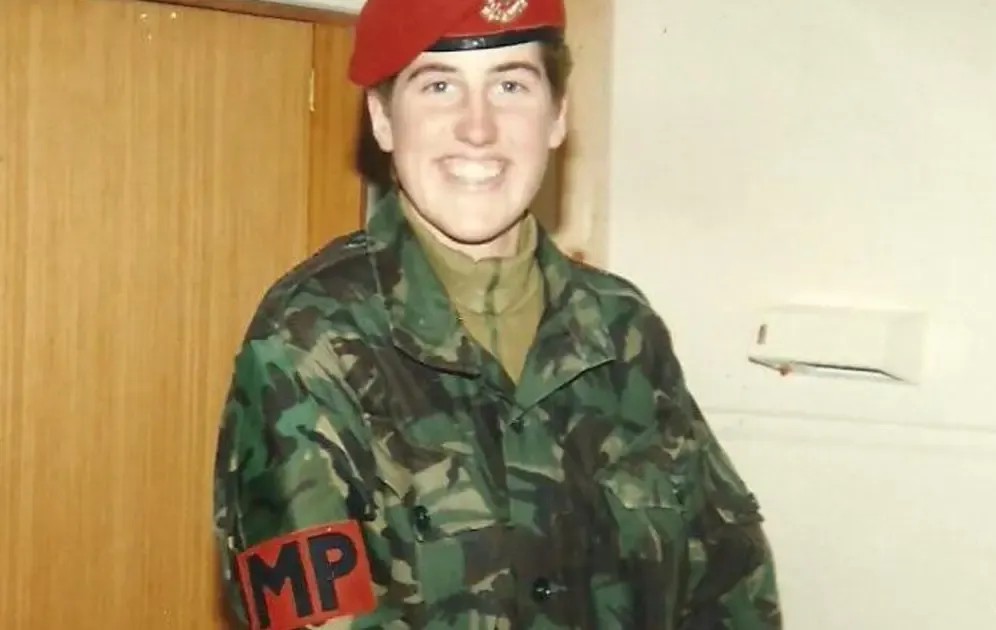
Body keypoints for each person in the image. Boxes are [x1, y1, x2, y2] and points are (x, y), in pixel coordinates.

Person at [211, 0, 783, 628]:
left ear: (557, 115)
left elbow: (731, 583)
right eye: (439, 86)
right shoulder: (307, 343)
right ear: (383, 120)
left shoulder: (623, 330)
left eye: (511, 85)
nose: (478, 129)